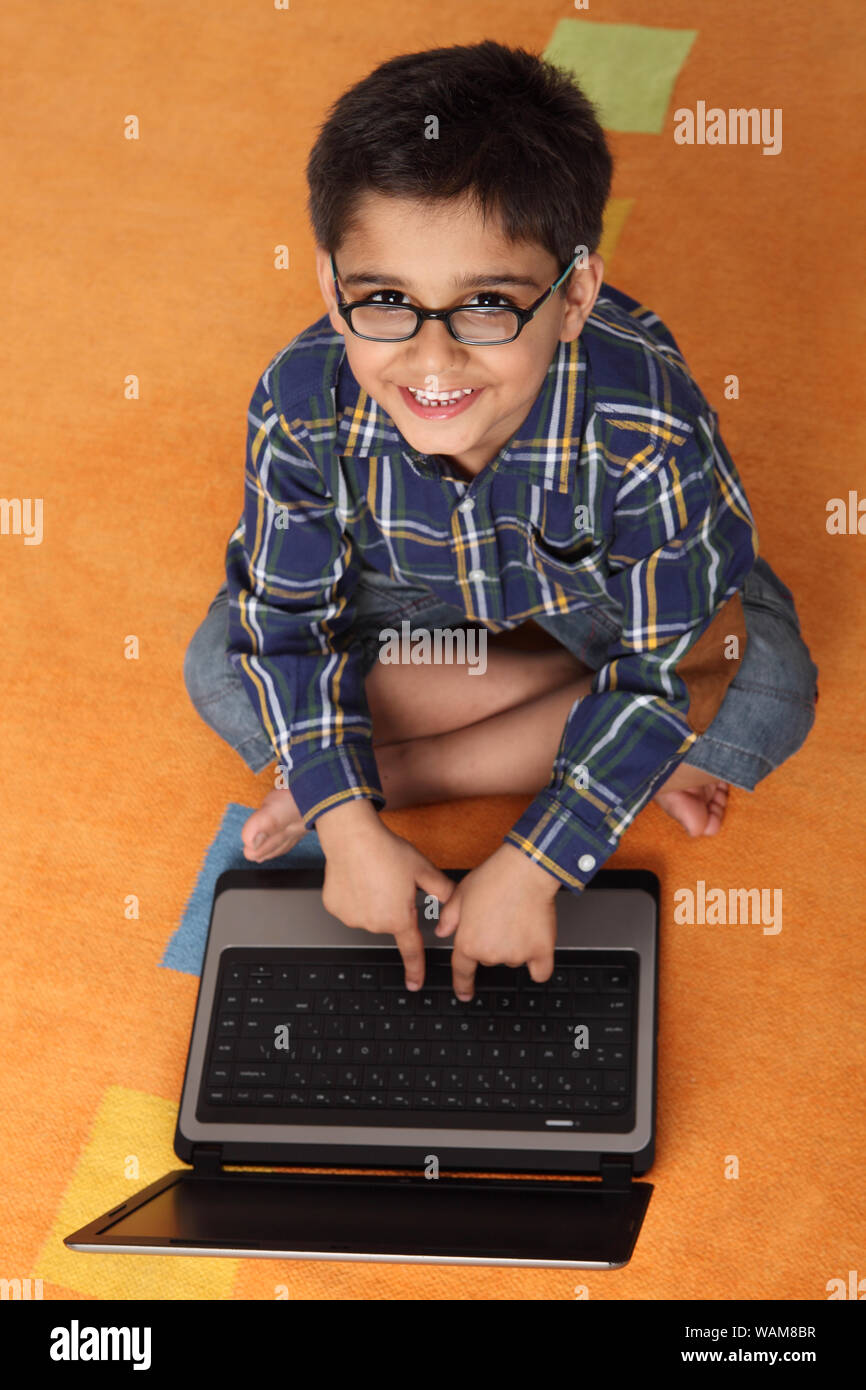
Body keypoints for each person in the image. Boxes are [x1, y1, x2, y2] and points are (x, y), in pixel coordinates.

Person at [183, 40, 818, 999]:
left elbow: (671, 656)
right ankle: (592, 741)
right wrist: (350, 836)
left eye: (486, 305)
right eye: (387, 301)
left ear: (573, 297)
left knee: (762, 679)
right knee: (214, 664)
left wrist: (533, 862)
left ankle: (394, 767)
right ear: (331, 288)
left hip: (593, 607)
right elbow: (282, 626)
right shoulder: (297, 399)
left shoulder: (645, 426)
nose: (433, 363)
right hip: (403, 593)